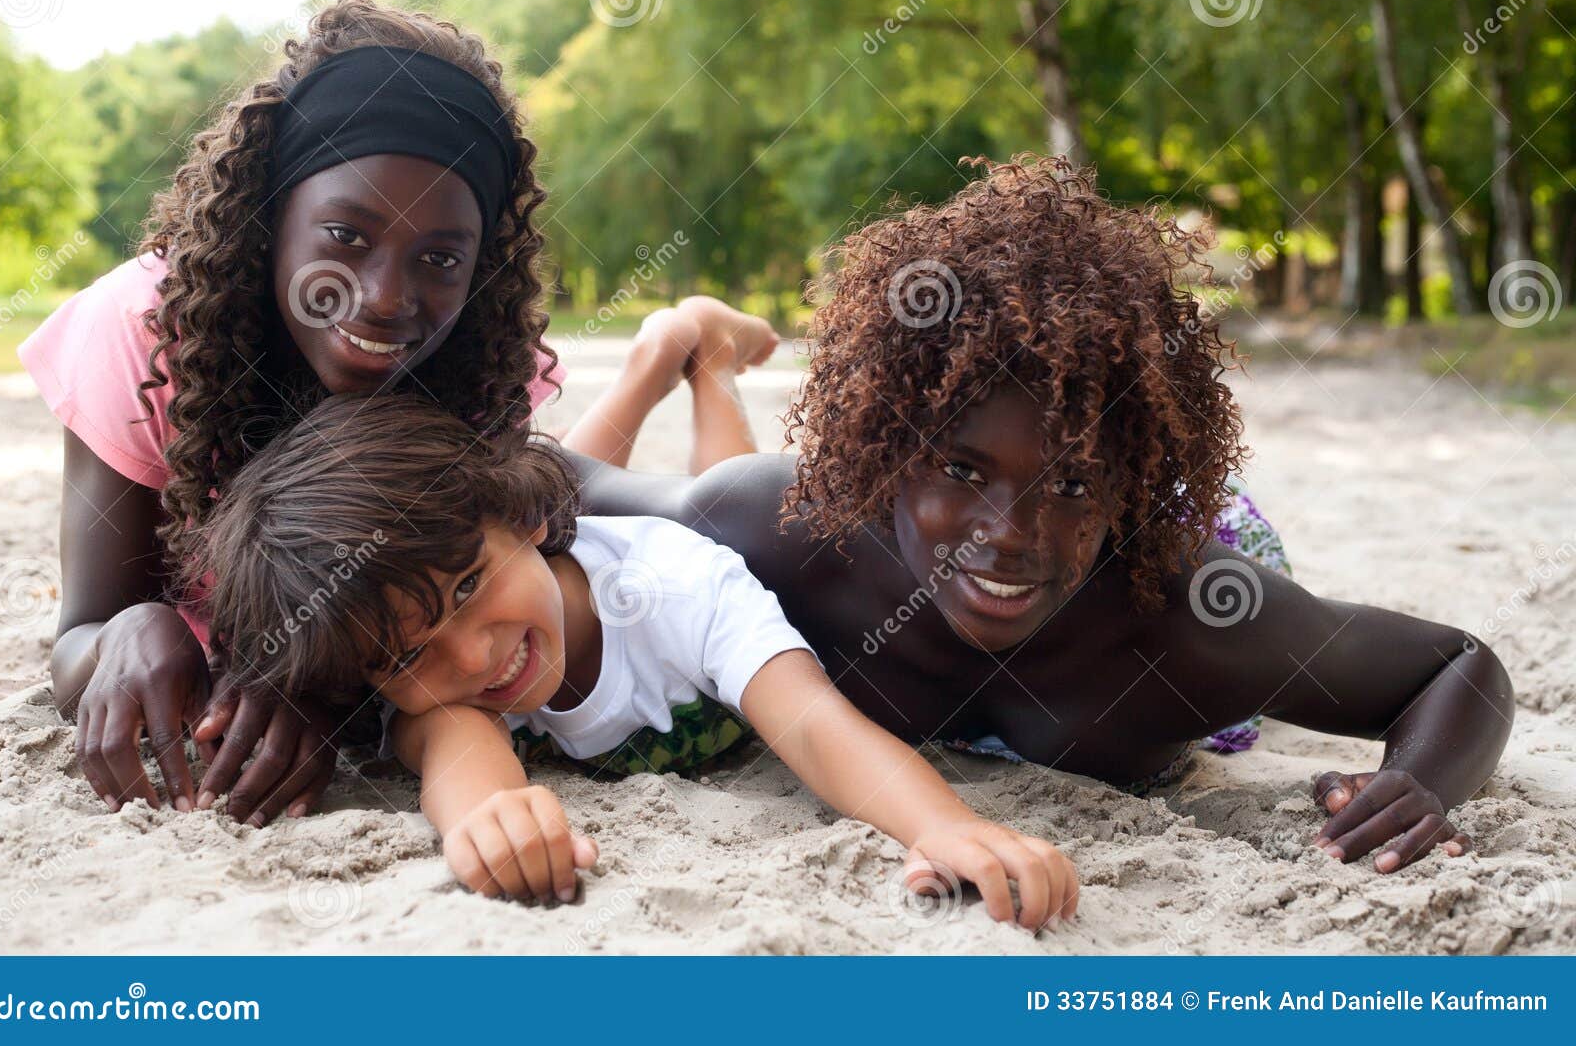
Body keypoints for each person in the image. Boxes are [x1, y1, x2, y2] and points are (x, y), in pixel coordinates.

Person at [570, 156, 1515, 874]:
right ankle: (695, 354)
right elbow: (553, 476)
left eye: (1067, 482)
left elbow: (1454, 664)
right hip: (811, 506)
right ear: (887, 453)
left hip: (1198, 533)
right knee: (716, 509)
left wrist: (1421, 781)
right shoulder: (800, 532)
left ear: (1123, 481)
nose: (1008, 530)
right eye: (959, 466)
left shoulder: (1197, 622)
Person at [18, 0, 775, 828]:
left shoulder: (466, 351)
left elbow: (552, 528)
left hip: (526, 495)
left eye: (440, 256)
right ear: (272, 218)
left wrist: (313, 686)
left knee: (651, 520)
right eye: (345, 235)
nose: (385, 299)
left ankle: (695, 357)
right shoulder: (145, 340)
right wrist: (135, 625)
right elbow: (79, 637)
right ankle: (661, 354)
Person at [188, 394, 1080, 930]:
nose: (476, 655)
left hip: (737, 529)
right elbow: (454, 743)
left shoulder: (679, 585)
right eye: (411, 652)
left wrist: (942, 825)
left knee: (727, 473)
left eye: (468, 586)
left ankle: (698, 360)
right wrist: (490, 819)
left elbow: (814, 725)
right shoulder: (440, 688)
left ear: (523, 518)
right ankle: (662, 353)